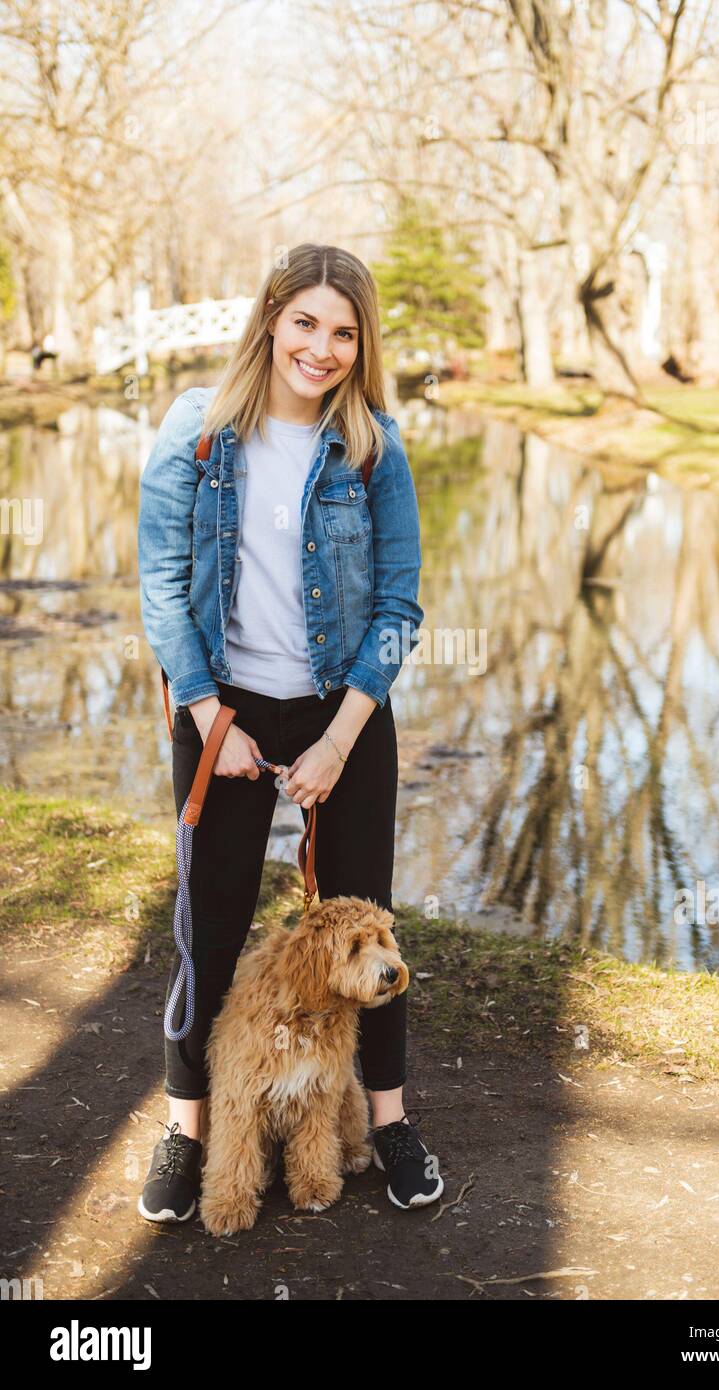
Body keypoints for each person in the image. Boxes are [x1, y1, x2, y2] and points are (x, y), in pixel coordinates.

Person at [136, 243, 442, 1221]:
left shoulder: (372, 446)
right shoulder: (197, 429)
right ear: (271, 317)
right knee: (209, 924)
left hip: (340, 711)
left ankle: (386, 1120)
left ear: (361, 345)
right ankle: (187, 1129)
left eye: (342, 331)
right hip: (219, 707)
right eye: (305, 322)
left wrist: (340, 739)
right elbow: (161, 585)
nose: (321, 347)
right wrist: (203, 713)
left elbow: (398, 605)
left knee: (366, 927)